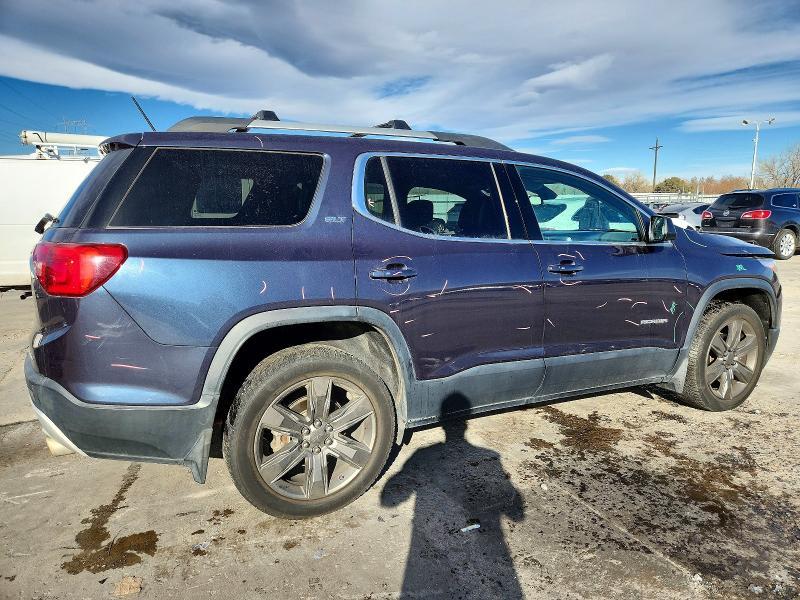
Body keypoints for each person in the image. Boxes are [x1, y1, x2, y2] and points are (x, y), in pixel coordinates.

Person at [381, 394, 525, 599]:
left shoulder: (422, 455)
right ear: (466, 425)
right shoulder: (491, 457)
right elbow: (517, 514)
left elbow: (387, 499)